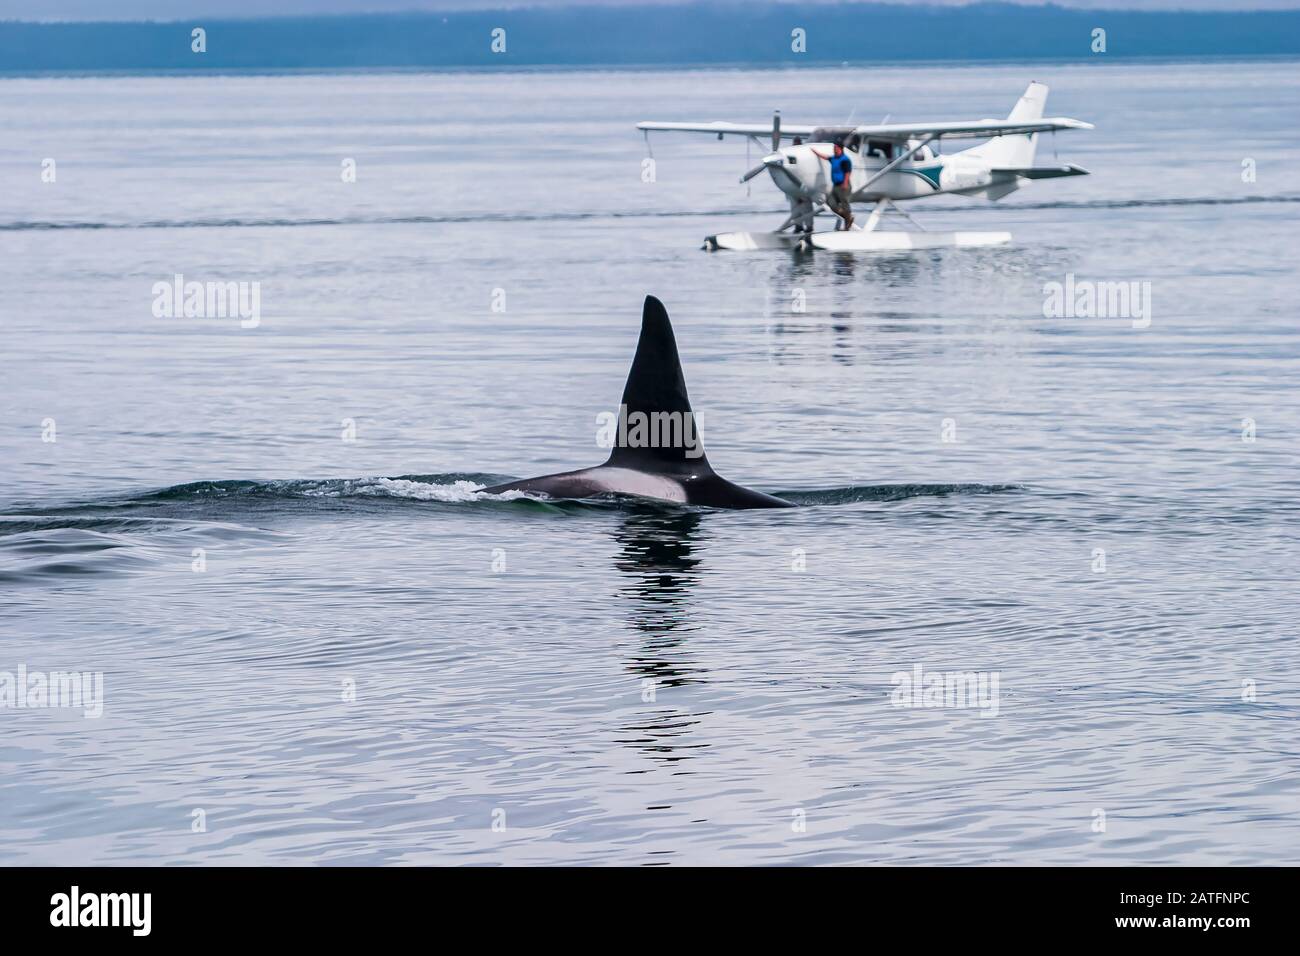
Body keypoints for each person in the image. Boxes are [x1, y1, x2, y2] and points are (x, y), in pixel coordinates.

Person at [814, 142, 854, 230]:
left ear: (840, 148)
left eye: (835, 147)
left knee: (845, 204)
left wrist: (845, 183)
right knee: (830, 201)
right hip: (835, 186)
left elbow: (848, 172)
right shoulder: (834, 158)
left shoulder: (845, 159)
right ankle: (848, 217)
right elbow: (825, 157)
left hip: (843, 185)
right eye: (834, 148)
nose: (834, 149)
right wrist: (815, 152)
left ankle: (847, 226)